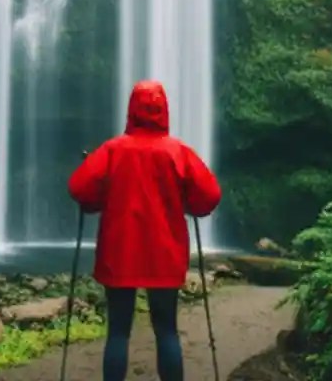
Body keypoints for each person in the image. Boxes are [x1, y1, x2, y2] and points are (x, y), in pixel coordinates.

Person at [67, 79, 222, 381]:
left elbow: (79, 187)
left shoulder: (113, 151)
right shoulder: (177, 152)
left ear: (131, 110)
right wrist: (189, 205)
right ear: (164, 110)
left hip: (120, 252)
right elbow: (210, 195)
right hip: (164, 253)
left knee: (118, 332)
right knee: (167, 331)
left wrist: (98, 198)